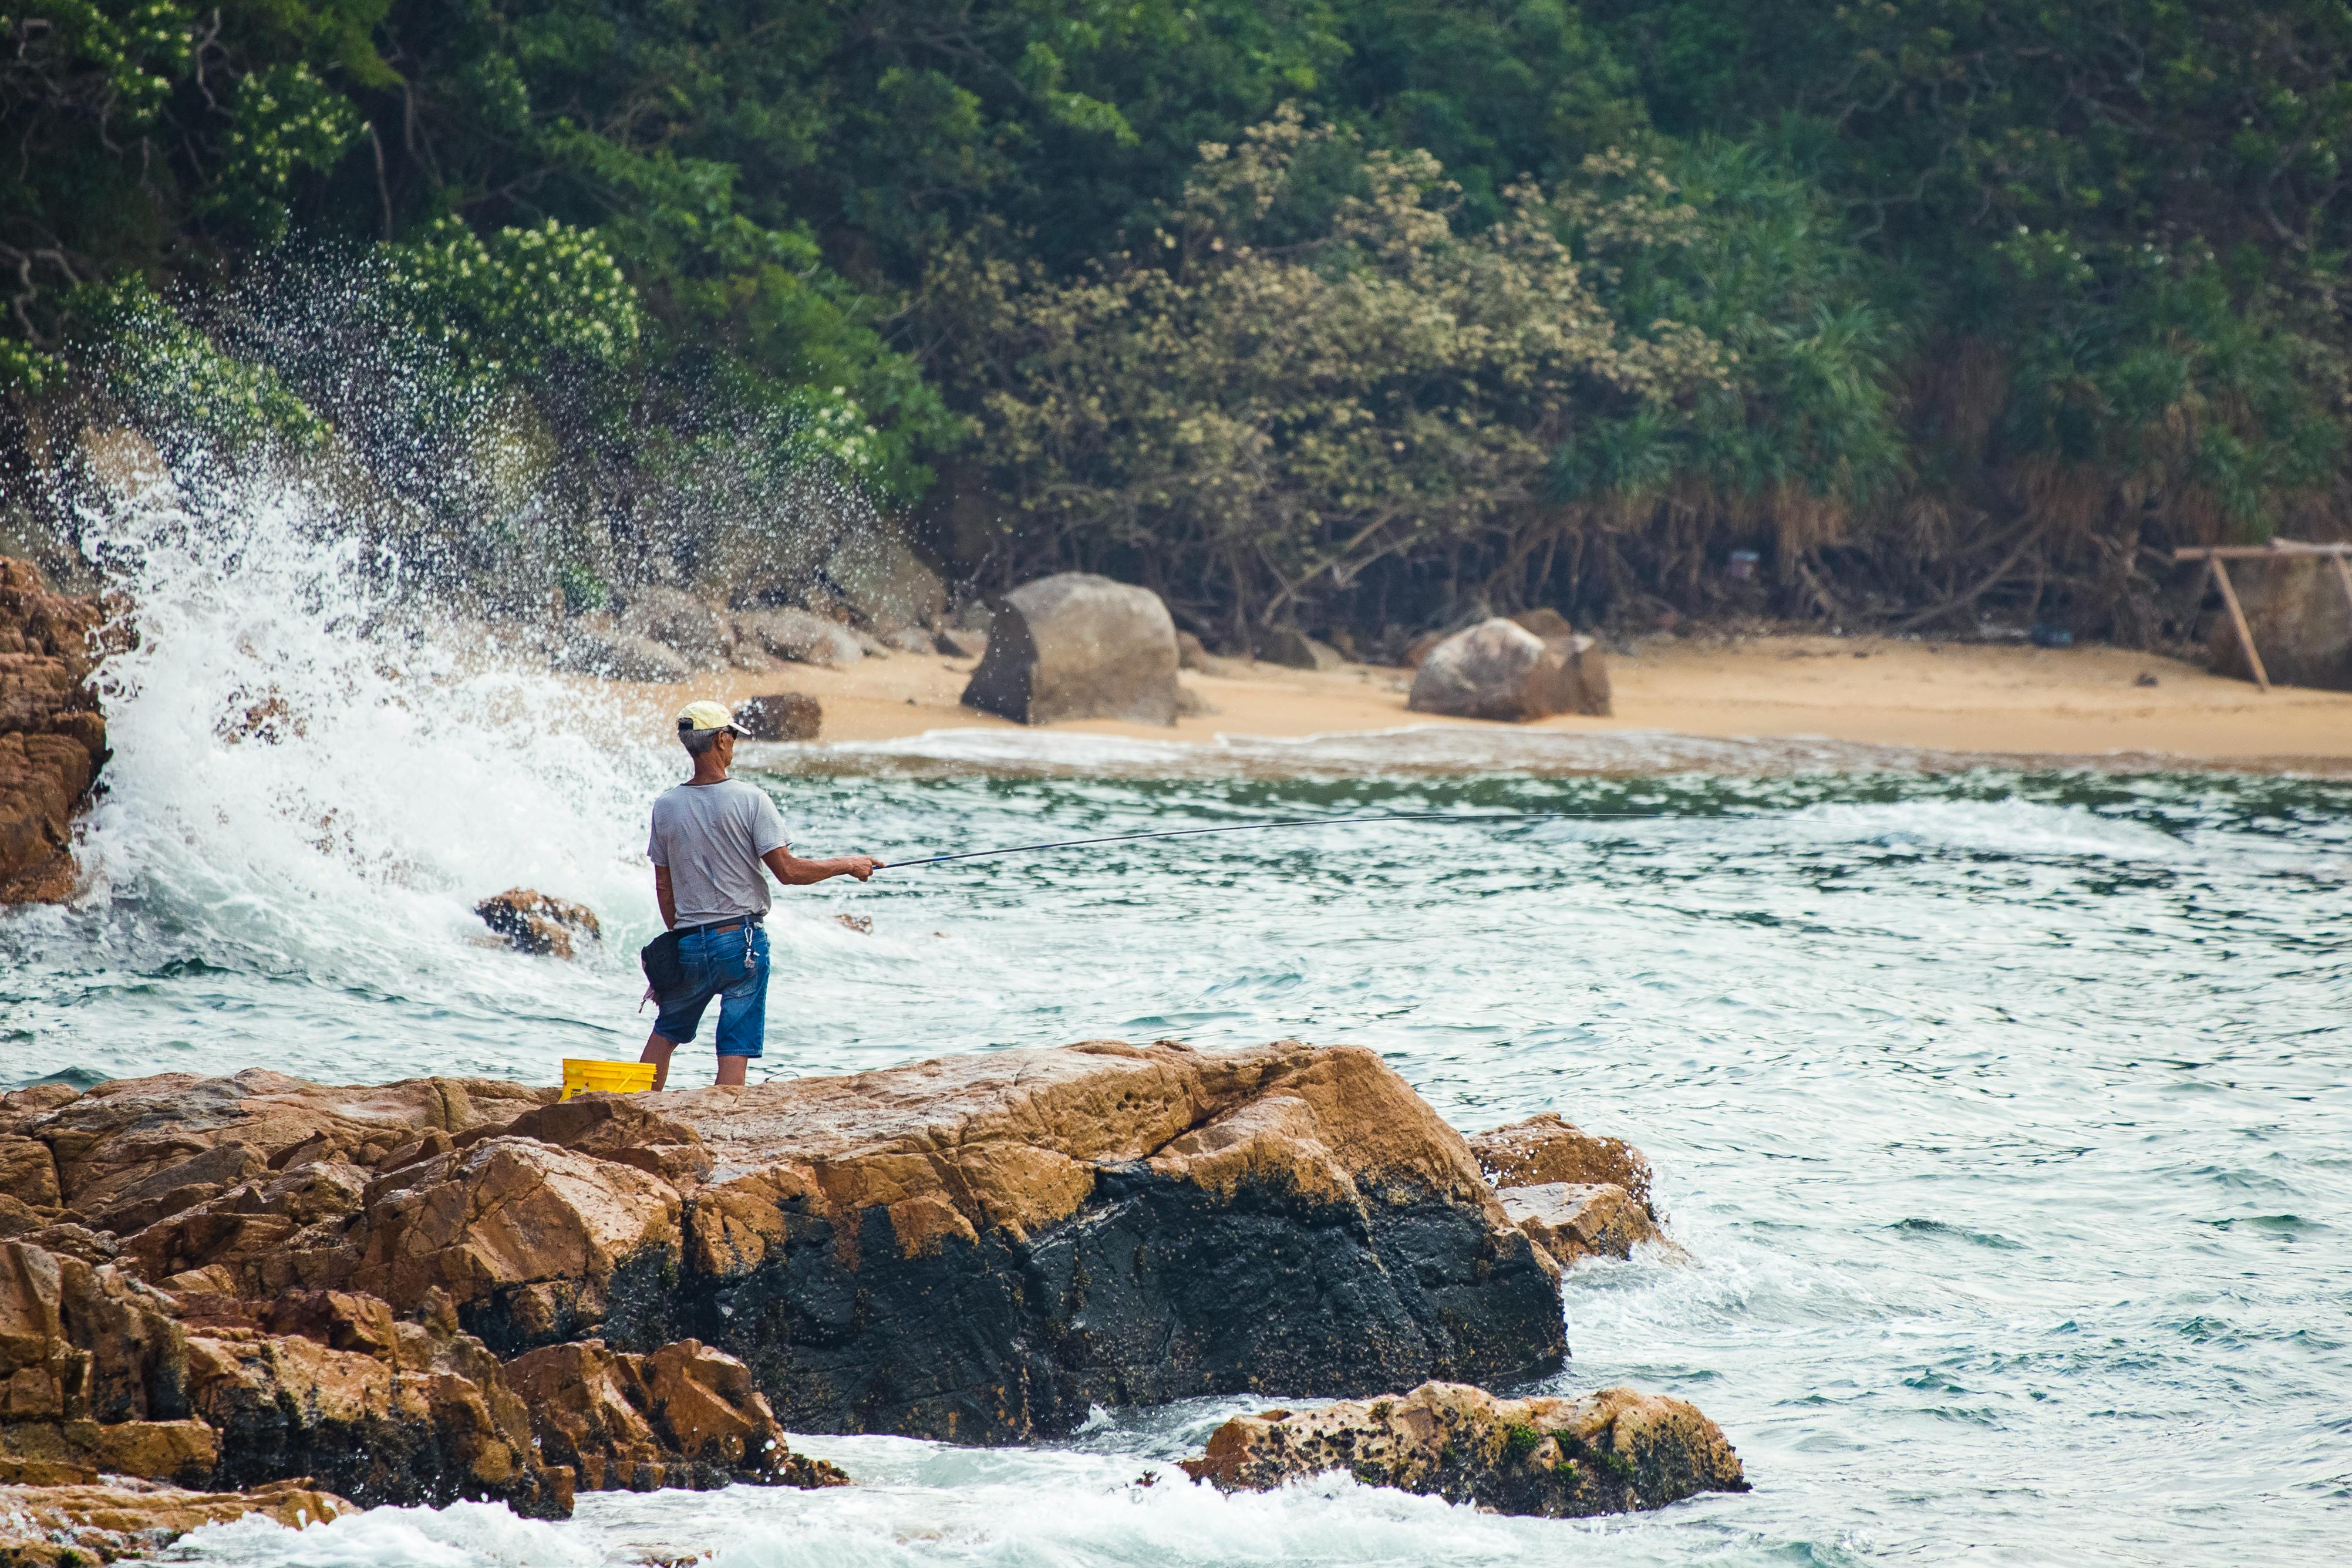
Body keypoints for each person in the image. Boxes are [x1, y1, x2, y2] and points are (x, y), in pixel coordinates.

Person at [639, 700, 880, 1089]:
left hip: (687, 942)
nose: (733, 744)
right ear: (720, 740)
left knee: (665, 1032)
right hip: (742, 943)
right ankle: (727, 1127)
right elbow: (788, 871)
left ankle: (634, 1109)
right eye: (731, 736)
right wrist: (849, 864)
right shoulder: (751, 799)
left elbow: (664, 887)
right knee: (734, 1042)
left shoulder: (665, 806)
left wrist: (682, 940)